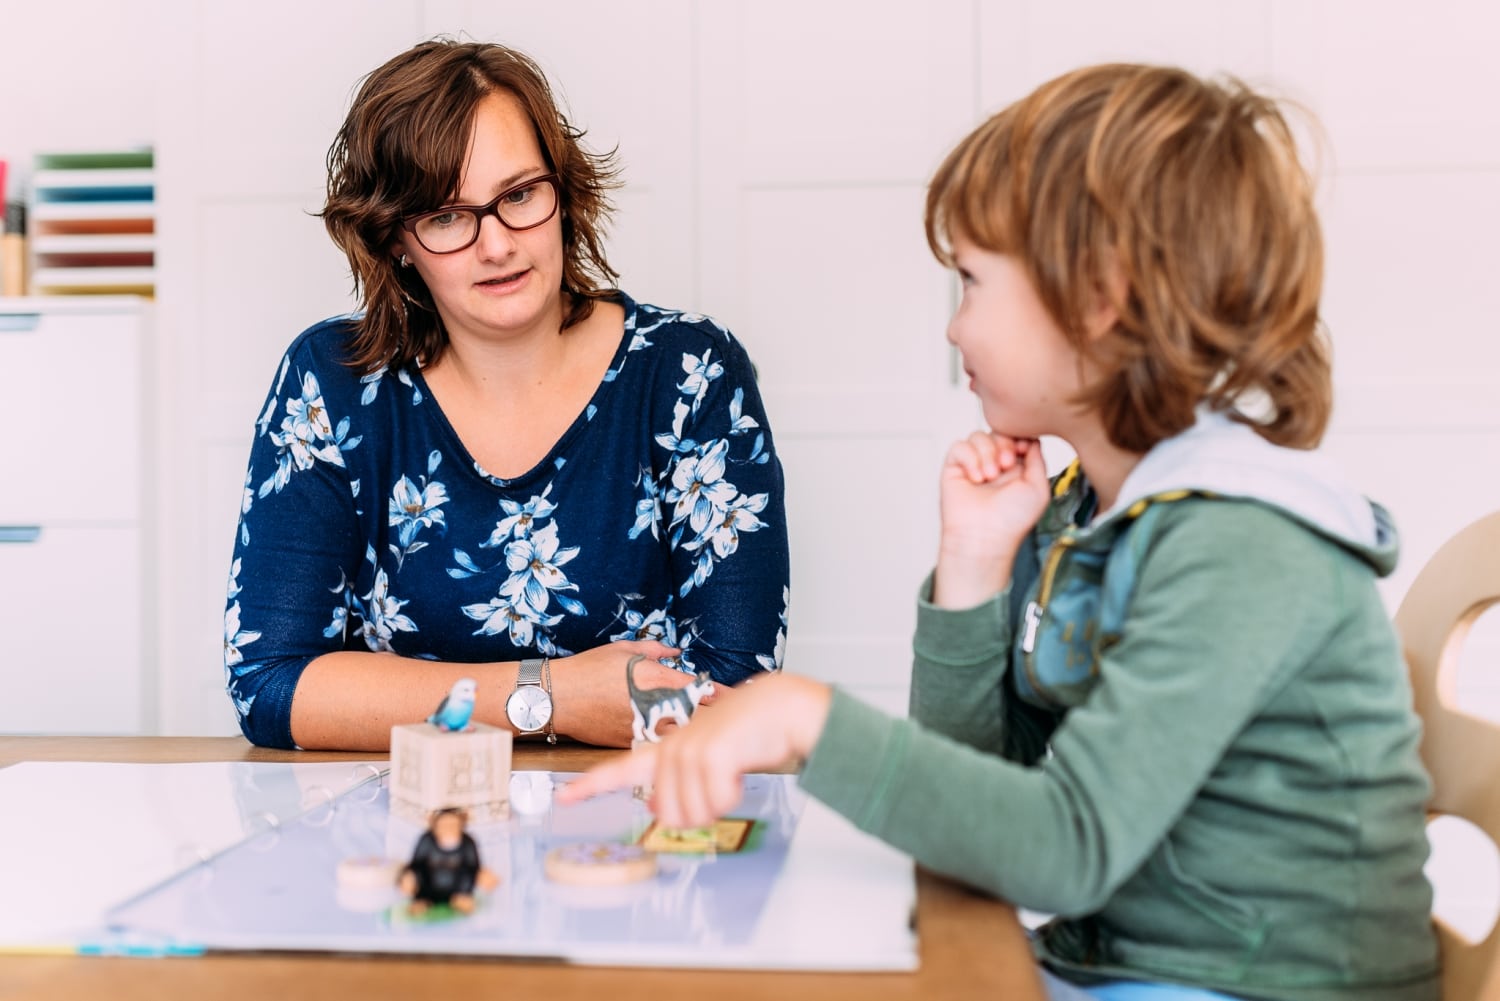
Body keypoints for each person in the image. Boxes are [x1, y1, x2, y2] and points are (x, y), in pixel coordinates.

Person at [561, 64, 1440, 1000]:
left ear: (1097, 296)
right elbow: (981, 796)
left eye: (973, 284)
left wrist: (804, 717)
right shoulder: (1093, 510)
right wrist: (977, 570)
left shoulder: (1240, 544)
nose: (954, 330)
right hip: (1129, 963)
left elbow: (1068, 847)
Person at [223, 39, 789, 751]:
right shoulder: (331, 383)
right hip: (403, 830)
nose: (496, 245)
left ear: (563, 191)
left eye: (519, 195)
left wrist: (417, 699)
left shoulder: (691, 375)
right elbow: (270, 682)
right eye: (447, 215)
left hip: (632, 827)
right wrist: (549, 695)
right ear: (396, 237)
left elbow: (734, 690)